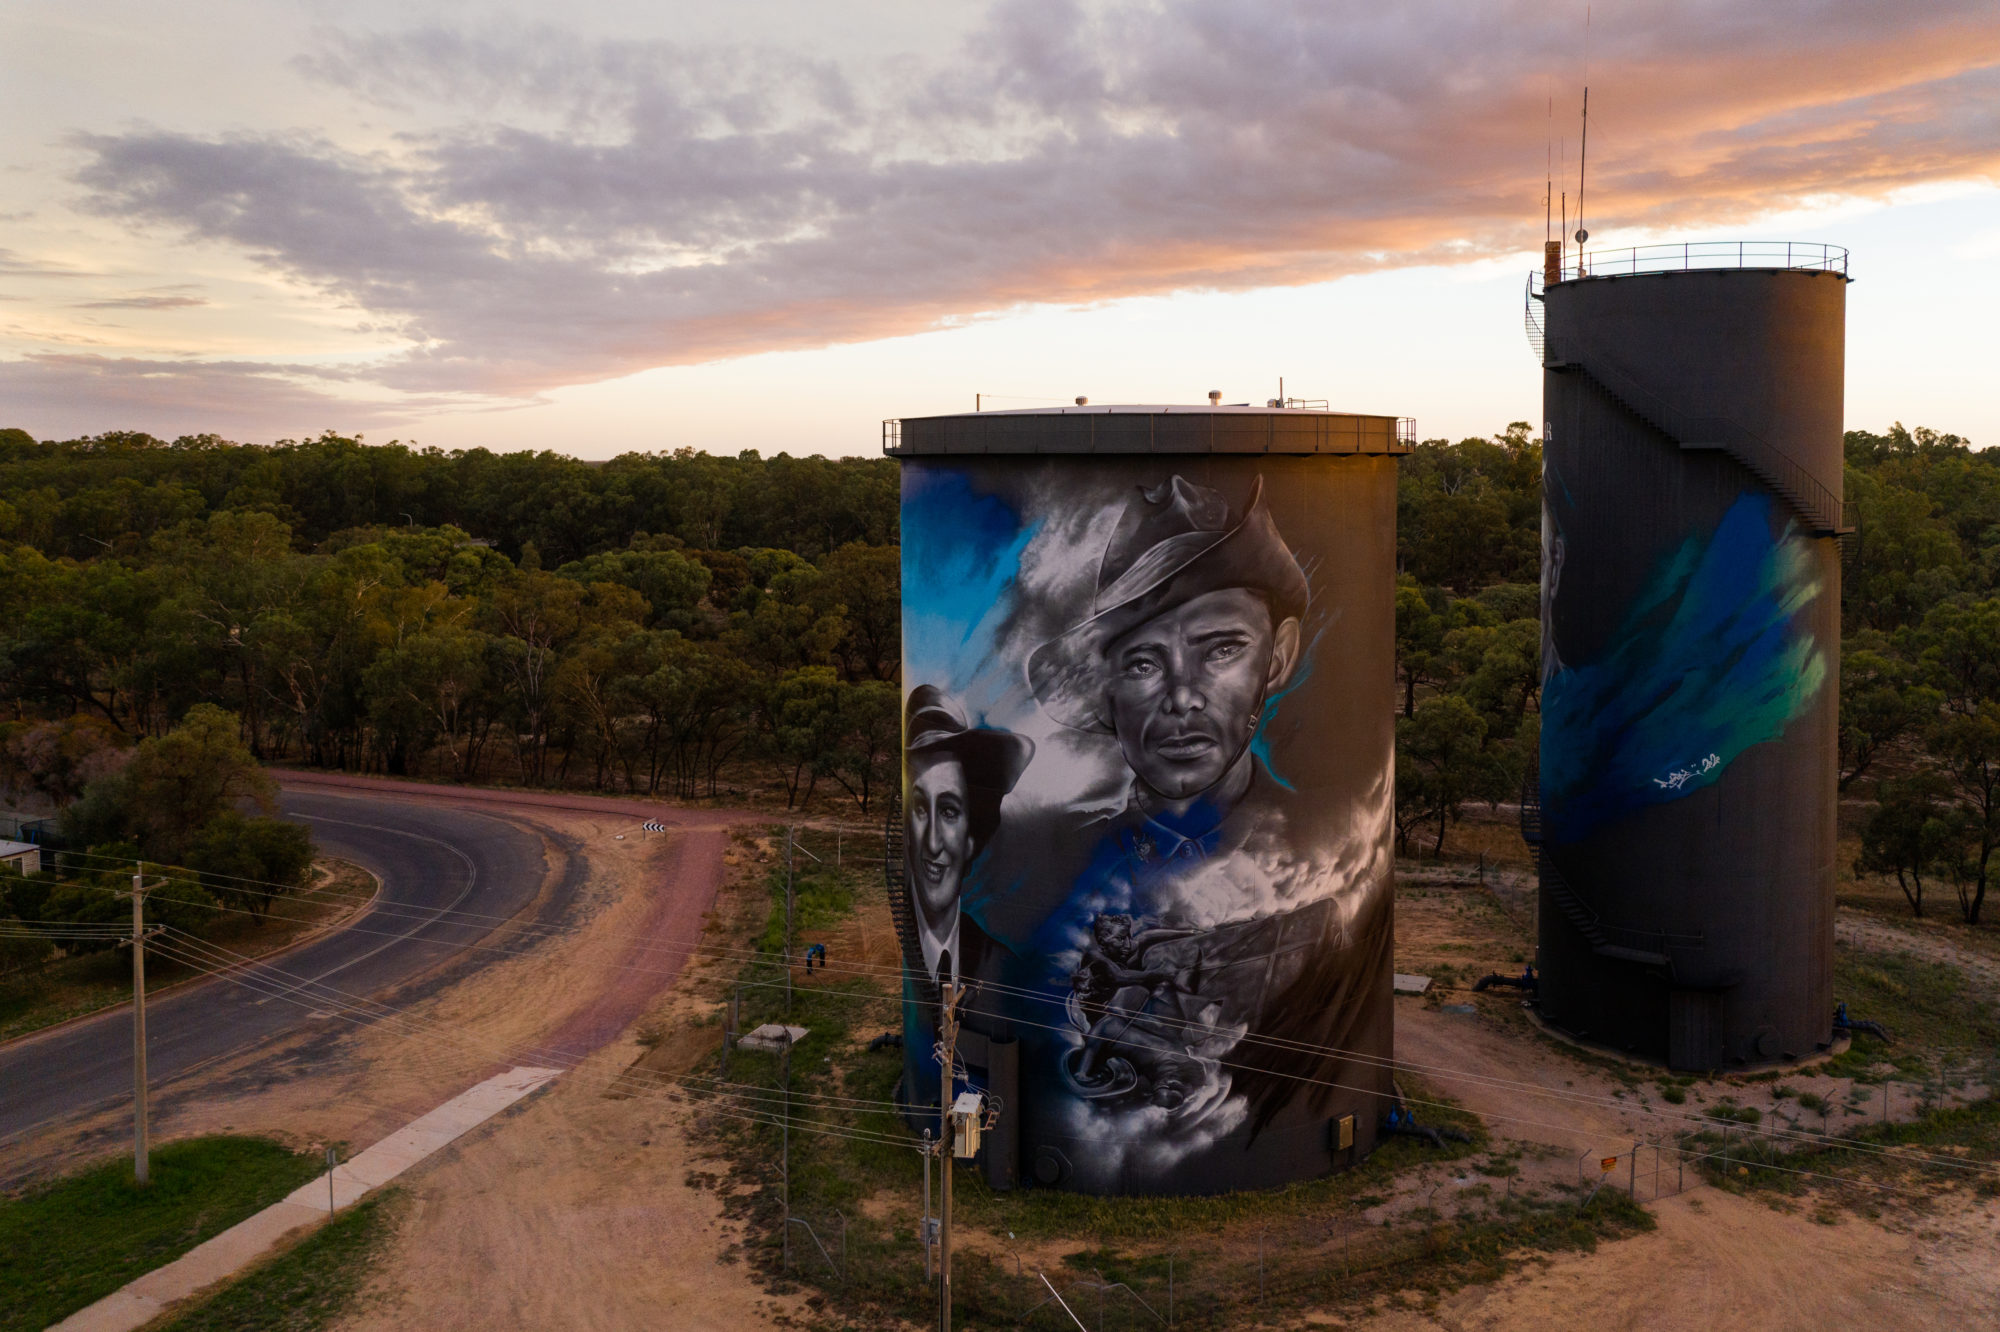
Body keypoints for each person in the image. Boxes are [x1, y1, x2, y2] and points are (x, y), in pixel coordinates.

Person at [1028, 473, 1307, 873]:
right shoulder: (1056, 867)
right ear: (1100, 688)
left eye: (1221, 650)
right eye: (1144, 664)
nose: (1181, 698)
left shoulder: (1335, 845)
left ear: (1277, 658)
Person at [901, 685, 1033, 993]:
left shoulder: (1002, 968)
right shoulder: (902, 938)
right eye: (920, 808)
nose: (932, 843)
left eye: (948, 811)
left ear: (972, 839)